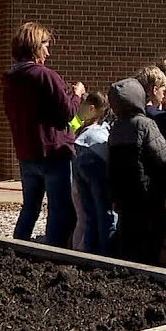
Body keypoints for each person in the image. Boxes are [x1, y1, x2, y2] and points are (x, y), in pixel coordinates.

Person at [2, 21, 85, 248]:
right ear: (35, 46)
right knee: (59, 209)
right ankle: (54, 253)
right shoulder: (45, 76)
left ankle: (17, 249)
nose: (48, 52)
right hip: (53, 153)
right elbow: (68, 113)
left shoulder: (10, 79)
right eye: (46, 46)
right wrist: (77, 95)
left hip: (26, 154)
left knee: (30, 207)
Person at [107, 77, 166, 265]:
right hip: (146, 193)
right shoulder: (145, 124)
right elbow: (163, 157)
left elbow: (111, 164)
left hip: (123, 194)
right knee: (150, 237)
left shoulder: (116, 128)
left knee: (128, 235)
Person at [73, 92, 116, 256]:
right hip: (98, 162)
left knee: (90, 214)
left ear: (92, 108)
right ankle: (106, 255)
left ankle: (89, 253)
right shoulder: (103, 131)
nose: (79, 108)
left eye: (82, 104)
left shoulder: (84, 131)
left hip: (84, 162)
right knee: (105, 214)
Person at [137, 65, 166, 137]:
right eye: (163, 91)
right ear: (155, 90)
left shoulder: (131, 114)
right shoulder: (162, 117)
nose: (165, 95)